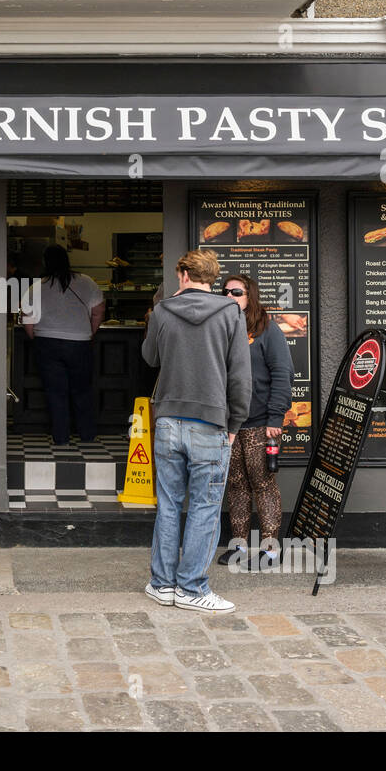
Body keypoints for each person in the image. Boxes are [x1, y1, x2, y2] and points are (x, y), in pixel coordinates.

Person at [140, 250, 250, 614]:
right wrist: (235, 424)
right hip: (211, 422)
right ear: (211, 278)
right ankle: (191, 588)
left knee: (169, 504)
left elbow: (149, 357)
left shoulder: (163, 311)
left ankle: (162, 584)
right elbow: (239, 375)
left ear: (184, 274)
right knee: (204, 507)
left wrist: (159, 312)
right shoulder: (230, 312)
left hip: (169, 420)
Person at [218, 274, 293, 572]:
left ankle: (271, 549)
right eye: (224, 292)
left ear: (250, 296)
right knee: (235, 485)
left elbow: (283, 373)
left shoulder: (266, 328)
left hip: (261, 422)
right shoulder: (222, 327)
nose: (229, 296)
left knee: (263, 484)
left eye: (236, 292)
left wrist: (276, 416)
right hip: (229, 424)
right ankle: (238, 545)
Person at [20, 245, 105, 446]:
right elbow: (99, 311)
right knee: (82, 390)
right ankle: (87, 435)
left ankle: (61, 437)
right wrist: (89, 331)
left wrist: (35, 336)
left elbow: (27, 317)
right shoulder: (87, 282)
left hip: (47, 343)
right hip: (80, 343)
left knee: (55, 392)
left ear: (45, 262)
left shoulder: (37, 287)